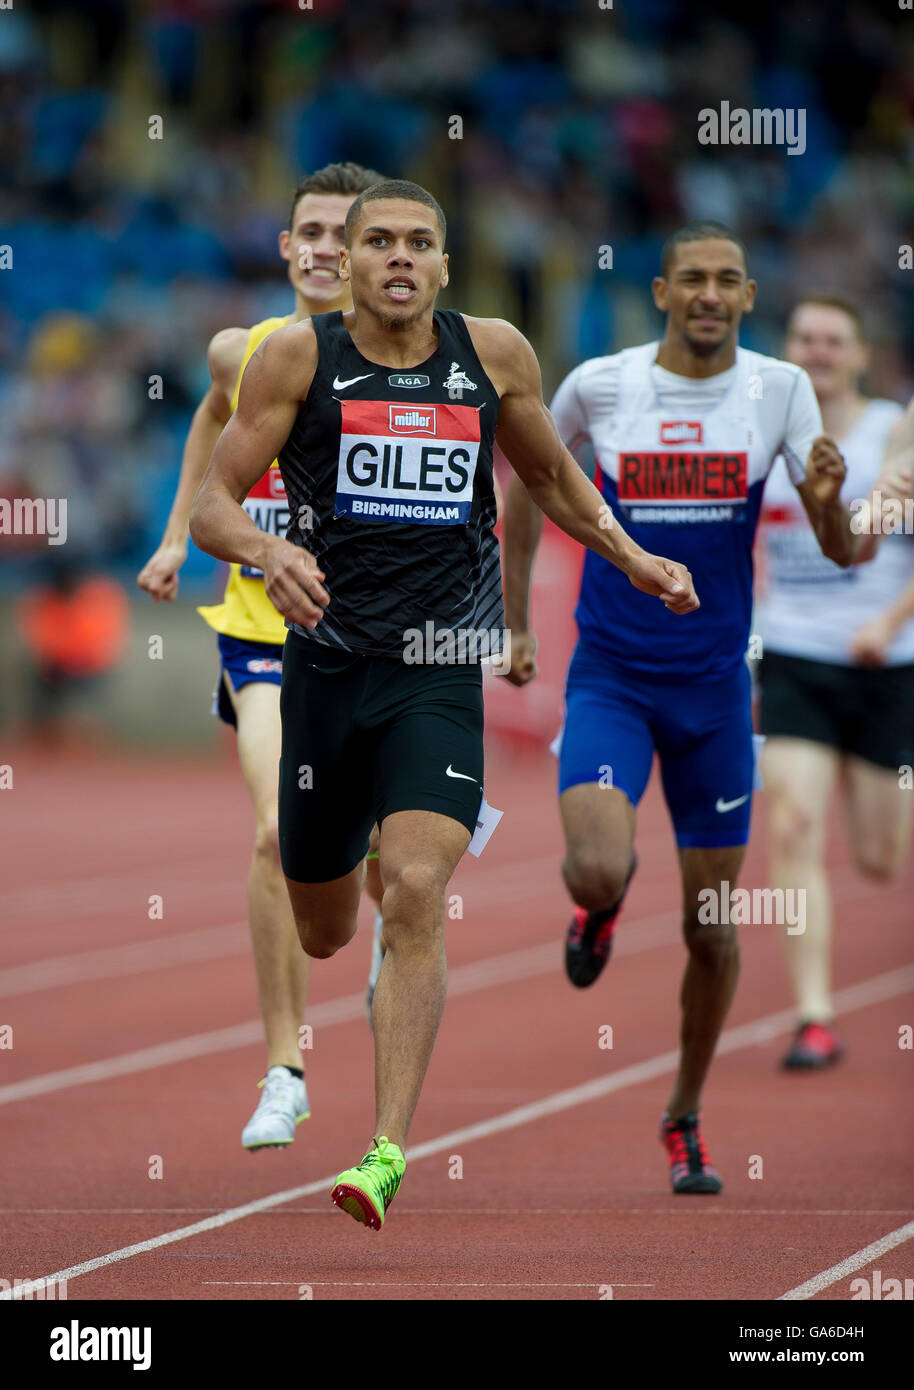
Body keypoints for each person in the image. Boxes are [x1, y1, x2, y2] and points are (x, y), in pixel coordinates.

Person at [189, 179, 698, 1230]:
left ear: (444, 263)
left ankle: (382, 1153)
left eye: (419, 241)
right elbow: (209, 503)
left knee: (416, 891)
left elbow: (549, 477)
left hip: (436, 669)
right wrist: (266, 546)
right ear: (353, 260)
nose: (398, 257)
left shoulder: (495, 354)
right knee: (328, 929)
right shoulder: (297, 359)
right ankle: (357, 873)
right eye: (378, 241)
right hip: (326, 671)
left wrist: (632, 554)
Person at [501, 221, 855, 1195]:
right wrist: (514, 612)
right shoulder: (599, 385)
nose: (708, 293)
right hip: (610, 674)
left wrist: (824, 500)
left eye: (727, 281)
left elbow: (833, 545)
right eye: (690, 278)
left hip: (710, 694)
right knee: (595, 861)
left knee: (709, 925)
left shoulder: (777, 390)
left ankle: (683, 1113)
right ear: (659, 292)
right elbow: (531, 473)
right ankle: (600, 906)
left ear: (747, 297)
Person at [137, 163, 386, 1151]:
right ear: (285, 247)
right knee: (275, 832)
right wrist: (171, 536)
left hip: (371, 642)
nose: (327, 247)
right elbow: (211, 423)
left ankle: (379, 902)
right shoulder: (240, 351)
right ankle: (284, 1065)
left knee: (379, 852)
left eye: (345, 233)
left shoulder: (402, 372)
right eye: (311, 231)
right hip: (261, 631)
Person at [756, 295, 914, 1068]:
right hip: (792, 657)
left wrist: (887, 624)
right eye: (804, 338)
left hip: (887, 664)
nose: (817, 351)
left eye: (833, 340)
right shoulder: (765, 432)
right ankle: (813, 1017)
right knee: (792, 826)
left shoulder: (896, 428)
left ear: (859, 355)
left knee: (882, 856)